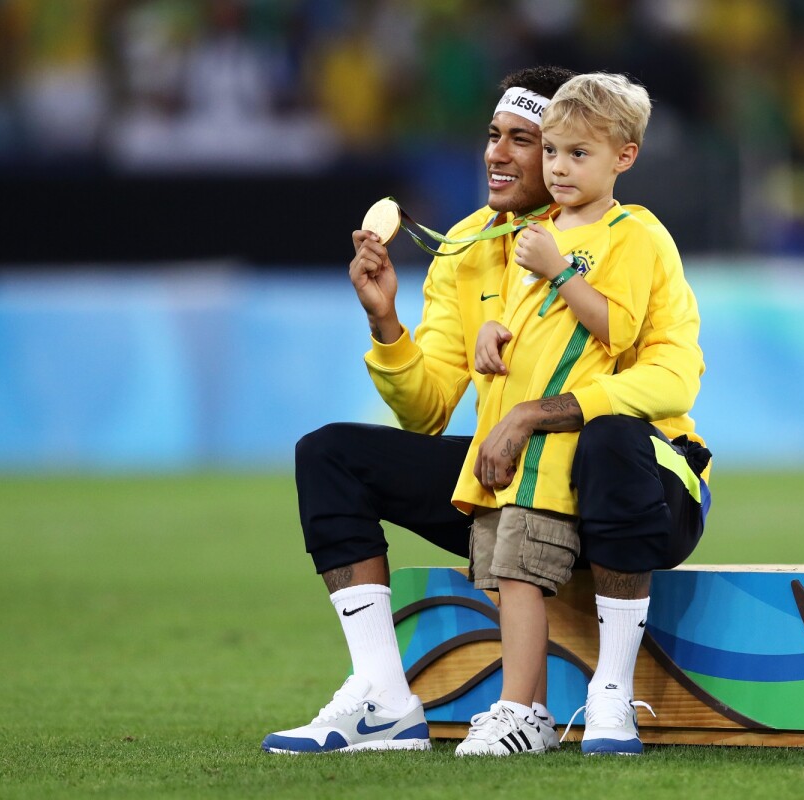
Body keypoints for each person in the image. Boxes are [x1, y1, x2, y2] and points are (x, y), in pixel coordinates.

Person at [261, 65, 711, 757]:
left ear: (596, 151)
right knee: (330, 455)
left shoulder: (632, 238)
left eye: (524, 140)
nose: (498, 154)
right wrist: (386, 324)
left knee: (609, 439)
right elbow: (427, 412)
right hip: (522, 474)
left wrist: (535, 413)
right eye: (495, 135)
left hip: (647, 485)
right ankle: (383, 698)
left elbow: (673, 379)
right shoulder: (468, 246)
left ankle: (607, 695)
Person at [452, 73, 659, 757]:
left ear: (623, 157)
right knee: (500, 573)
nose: (559, 168)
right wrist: (491, 333)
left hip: (555, 448)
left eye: (578, 154)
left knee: (520, 572)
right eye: (552, 153)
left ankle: (519, 709)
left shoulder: (627, 236)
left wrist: (563, 271)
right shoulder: (534, 233)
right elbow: (526, 317)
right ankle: (528, 710)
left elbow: (619, 331)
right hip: (508, 446)